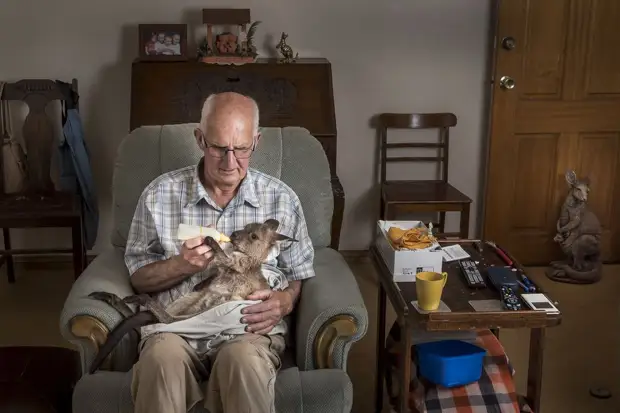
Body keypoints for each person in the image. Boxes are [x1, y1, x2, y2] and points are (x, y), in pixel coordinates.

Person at [123, 92, 315, 413]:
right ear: (200, 139)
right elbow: (138, 277)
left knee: (243, 362)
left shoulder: (281, 199)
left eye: (240, 149)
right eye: (218, 148)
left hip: (247, 330)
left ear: (256, 142)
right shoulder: (159, 195)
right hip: (177, 329)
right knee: (159, 361)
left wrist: (286, 300)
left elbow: (298, 274)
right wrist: (180, 266)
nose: (229, 162)